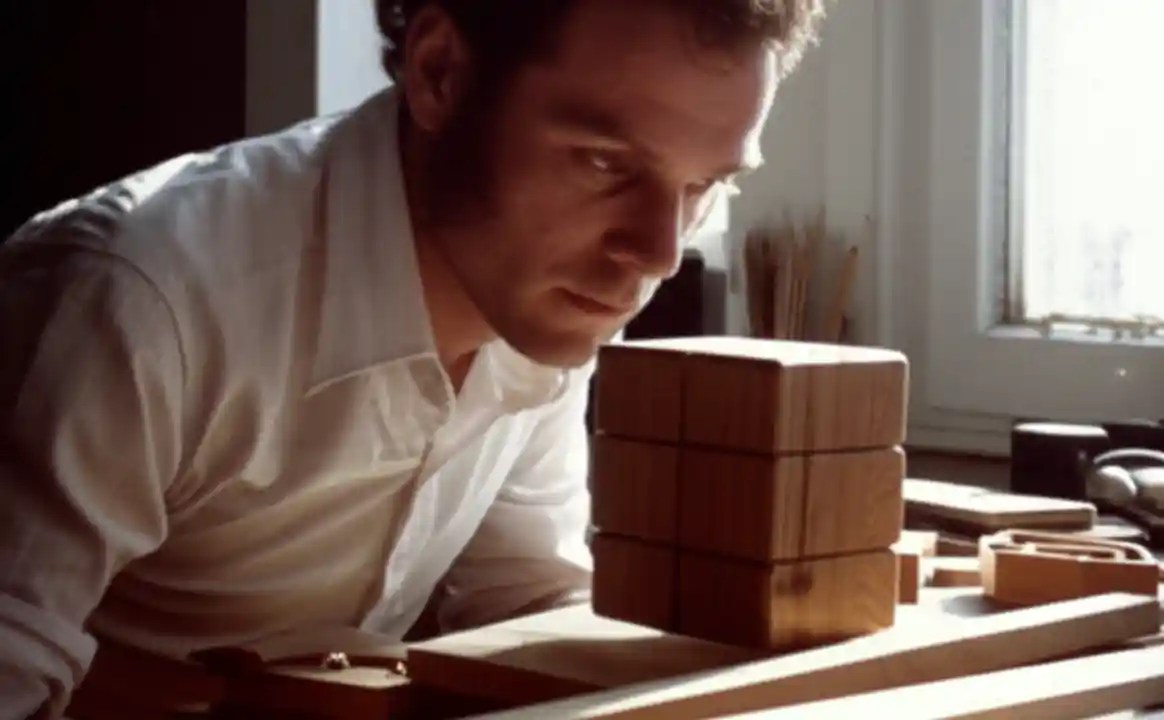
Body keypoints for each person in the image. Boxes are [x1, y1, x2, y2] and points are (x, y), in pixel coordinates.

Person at [0, 0, 827, 715]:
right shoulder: (142, 298)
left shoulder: (544, 296)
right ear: (440, 73)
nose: (656, 252)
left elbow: (526, 606)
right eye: (605, 163)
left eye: (701, 186)